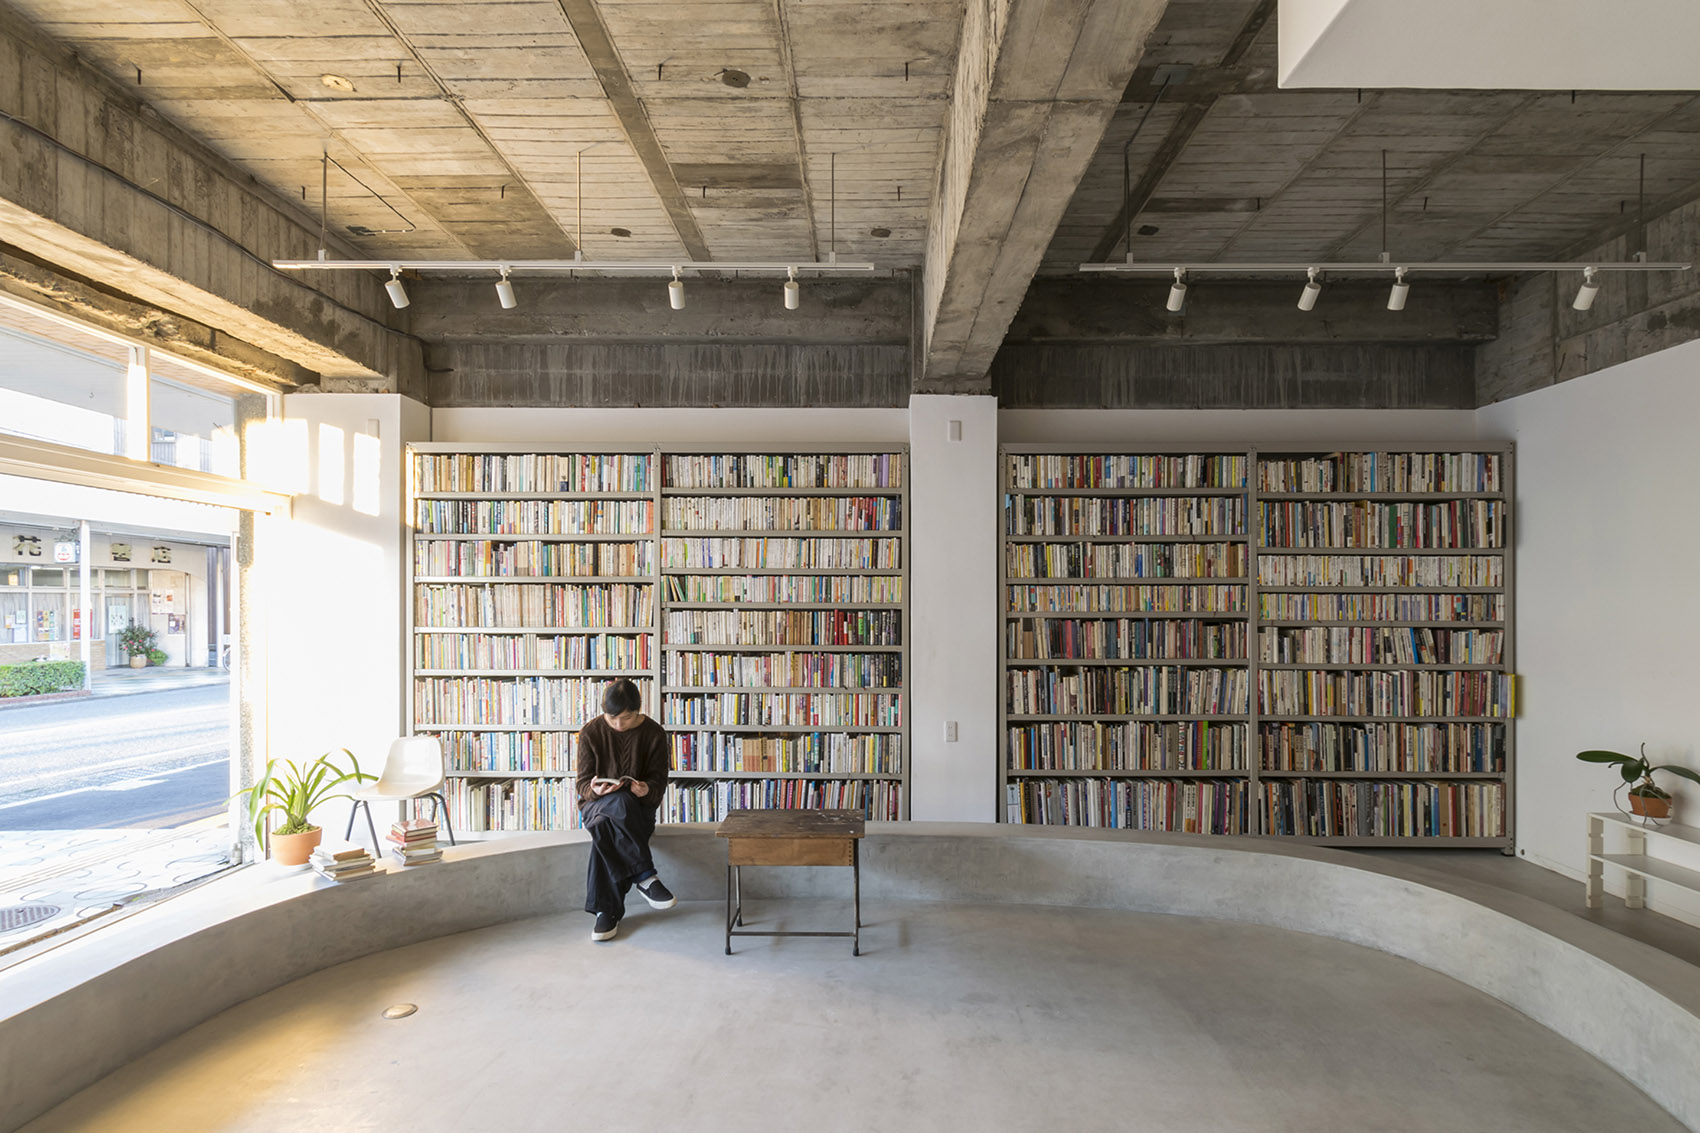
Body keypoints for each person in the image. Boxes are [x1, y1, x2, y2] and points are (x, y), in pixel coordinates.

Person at [575, 678, 673, 941]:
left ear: (638, 710)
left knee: (610, 823)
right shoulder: (591, 732)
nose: (619, 725)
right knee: (615, 805)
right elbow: (582, 783)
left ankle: (605, 913)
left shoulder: (653, 734)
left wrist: (646, 790)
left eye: (626, 718)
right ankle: (644, 875)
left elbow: (659, 781)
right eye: (612, 718)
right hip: (596, 806)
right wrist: (594, 790)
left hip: (637, 813)